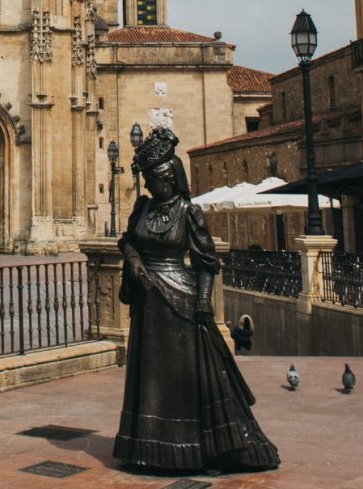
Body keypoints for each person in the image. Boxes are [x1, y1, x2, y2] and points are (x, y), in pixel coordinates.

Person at [115, 127, 279, 474]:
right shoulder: (143, 208)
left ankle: (198, 450)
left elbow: (206, 262)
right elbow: (128, 241)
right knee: (152, 381)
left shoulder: (189, 212)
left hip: (180, 303)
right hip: (150, 306)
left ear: (171, 177)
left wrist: (203, 301)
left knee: (186, 380)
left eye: (154, 178)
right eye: (146, 178)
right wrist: (133, 261)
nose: (148, 185)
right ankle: (149, 448)